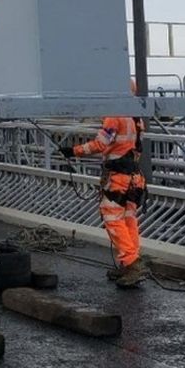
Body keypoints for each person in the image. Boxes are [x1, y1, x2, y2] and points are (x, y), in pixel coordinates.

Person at [68, 113, 147, 288]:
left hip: (119, 178)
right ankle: (130, 263)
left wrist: (73, 151)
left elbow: (100, 144)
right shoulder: (137, 118)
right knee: (128, 219)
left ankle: (131, 262)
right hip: (135, 178)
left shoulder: (114, 117)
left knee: (113, 219)